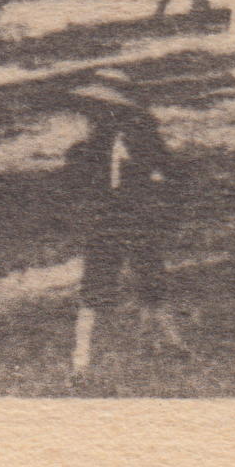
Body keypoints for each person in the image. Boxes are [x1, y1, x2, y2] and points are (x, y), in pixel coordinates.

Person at [61, 74, 181, 375]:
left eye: (103, 108)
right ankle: (82, 355)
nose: (95, 115)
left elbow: (168, 170)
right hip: (109, 218)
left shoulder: (142, 135)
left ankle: (164, 339)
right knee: (98, 282)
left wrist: (153, 179)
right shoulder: (89, 146)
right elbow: (76, 183)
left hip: (135, 215)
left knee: (150, 276)